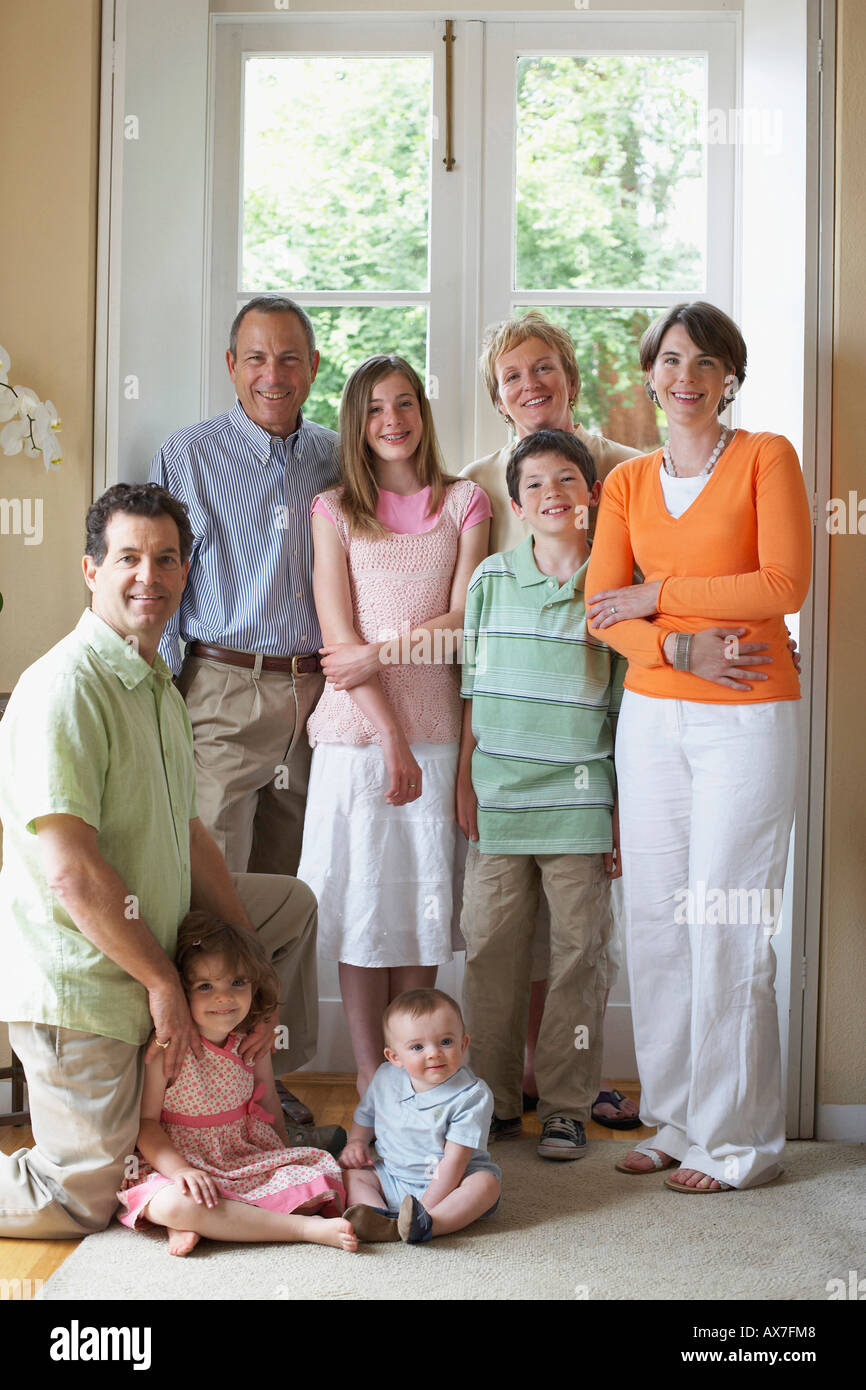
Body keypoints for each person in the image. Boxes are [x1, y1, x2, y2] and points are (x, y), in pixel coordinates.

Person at [0, 484, 323, 1239]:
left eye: (167, 559)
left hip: (161, 932)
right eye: (128, 558)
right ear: (90, 570)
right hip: (80, 977)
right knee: (84, 1196)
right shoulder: (66, 688)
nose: (150, 575)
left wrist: (255, 973)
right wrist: (161, 985)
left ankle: (248, 1087)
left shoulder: (157, 687)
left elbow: (193, 839)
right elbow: (72, 873)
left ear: (185, 573)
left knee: (292, 904)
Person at [585, 301, 812, 1191]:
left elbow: (784, 581)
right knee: (657, 923)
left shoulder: (765, 457)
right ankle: (679, 1120)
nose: (686, 377)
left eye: (705, 363)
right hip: (653, 715)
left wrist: (662, 590)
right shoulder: (628, 483)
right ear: (651, 372)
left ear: (729, 377)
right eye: (671, 360)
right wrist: (678, 641)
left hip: (747, 716)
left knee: (726, 922)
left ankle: (741, 1142)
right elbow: (603, 609)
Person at [149, 294, 338, 1124]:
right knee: (210, 901)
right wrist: (157, 702)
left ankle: (267, 1086)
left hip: (313, 694)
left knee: (281, 895)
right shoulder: (186, 455)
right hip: (221, 685)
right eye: (256, 358)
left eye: (290, 358)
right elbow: (160, 579)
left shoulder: (336, 458)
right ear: (232, 366)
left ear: (313, 367)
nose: (273, 374)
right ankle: (197, 1090)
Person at [461, 310, 642, 1131]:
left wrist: (616, 805)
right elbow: (473, 679)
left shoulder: (624, 490)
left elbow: (619, 692)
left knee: (580, 955)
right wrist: (468, 776)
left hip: (579, 790)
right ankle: (496, 1097)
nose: (529, 385)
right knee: (494, 953)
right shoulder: (489, 560)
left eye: (543, 369)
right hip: (502, 791)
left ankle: (568, 1098)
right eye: (512, 376)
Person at [296, 356, 491, 1096]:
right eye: (375, 409)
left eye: (405, 404)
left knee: (421, 906)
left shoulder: (466, 502)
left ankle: (420, 1078)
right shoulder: (333, 509)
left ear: (422, 410)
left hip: (438, 727)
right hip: (355, 735)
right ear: (357, 421)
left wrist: (382, 652)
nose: (392, 422)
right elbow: (336, 635)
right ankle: (370, 1084)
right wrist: (390, 736)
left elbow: (466, 621)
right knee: (361, 904)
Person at [117, 913, 356, 1255]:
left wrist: (284, 1155)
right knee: (172, 1203)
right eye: (205, 986)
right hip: (178, 1161)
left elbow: (270, 1100)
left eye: (237, 983)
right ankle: (302, 1229)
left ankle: (206, 1223)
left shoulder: (250, 1040)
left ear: (255, 985)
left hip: (241, 1153)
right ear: (181, 992)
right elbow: (147, 1124)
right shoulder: (167, 1047)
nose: (223, 998)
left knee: (321, 1177)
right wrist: (181, 1170)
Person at [338, 988, 500, 1243]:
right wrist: (356, 1143)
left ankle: (430, 1224)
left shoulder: (471, 1096)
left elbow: (454, 1164)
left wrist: (423, 1207)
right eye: (417, 1047)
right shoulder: (385, 1078)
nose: (433, 1053)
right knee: (351, 1176)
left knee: (486, 1185)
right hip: (394, 1175)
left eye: (446, 1042)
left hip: (452, 1184)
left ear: (463, 1043)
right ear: (395, 1057)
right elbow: (366, 1116)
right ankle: (381, 1220)